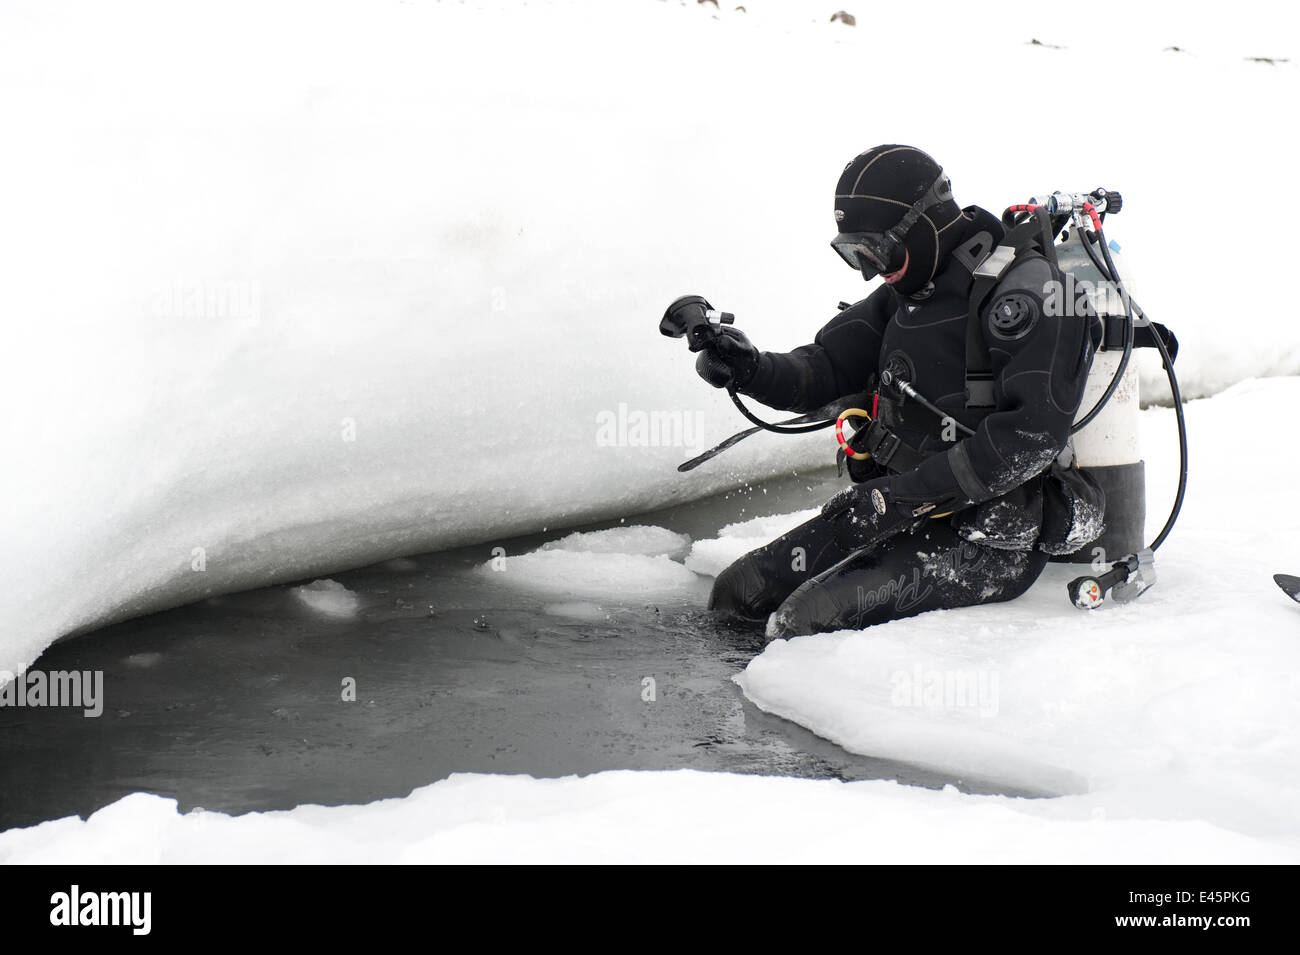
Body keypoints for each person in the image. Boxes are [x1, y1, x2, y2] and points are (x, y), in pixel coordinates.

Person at [665, 144, 1105, 640]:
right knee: (738, 593)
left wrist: (896, 498)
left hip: (991, 535)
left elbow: (1028, 441)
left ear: (925, 223)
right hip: (901, 507)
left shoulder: (1029, 294)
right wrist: (749, 368)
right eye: (853, 253)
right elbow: (825, 369)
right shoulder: (908, 291)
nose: (870, 270)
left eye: (878, 250)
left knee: (804, 622)